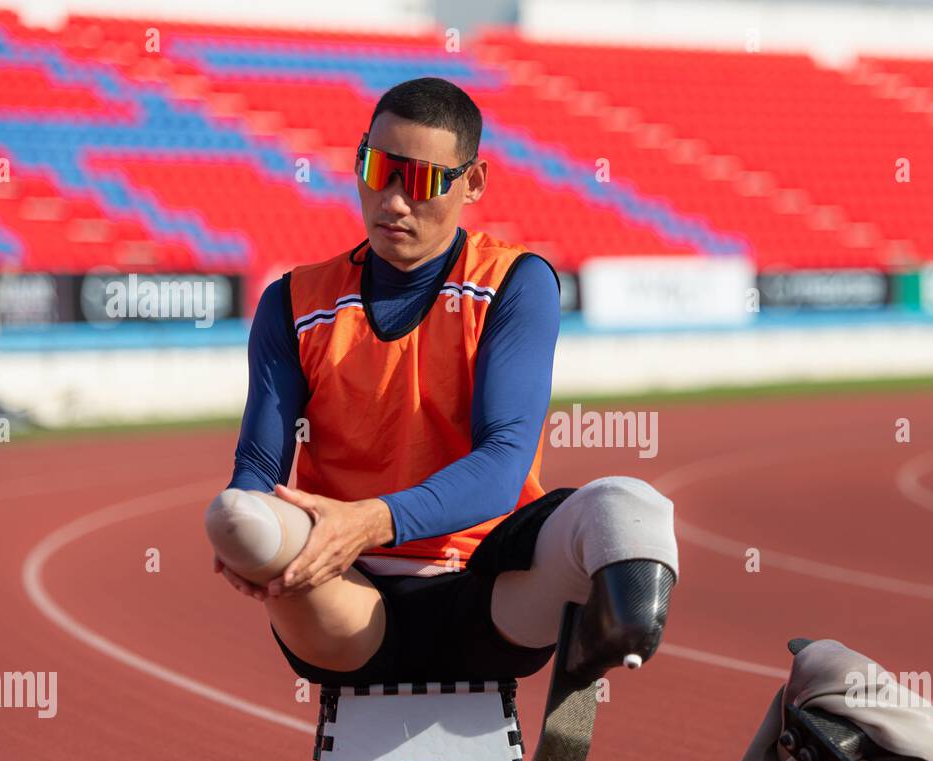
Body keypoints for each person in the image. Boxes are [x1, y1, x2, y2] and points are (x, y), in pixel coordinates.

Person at [203, 76, 679, 688]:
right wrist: (248, 533)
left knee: (627, 502)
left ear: (473, 183)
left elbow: (503, 466)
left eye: (424, 180)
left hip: (490, 597)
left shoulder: (516, 282)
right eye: (377, 169)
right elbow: (258, 462)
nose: (394, 201)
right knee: (233, 515)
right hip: (343, 595)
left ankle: (627, 636)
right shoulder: (292, 302)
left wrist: (369, 520)